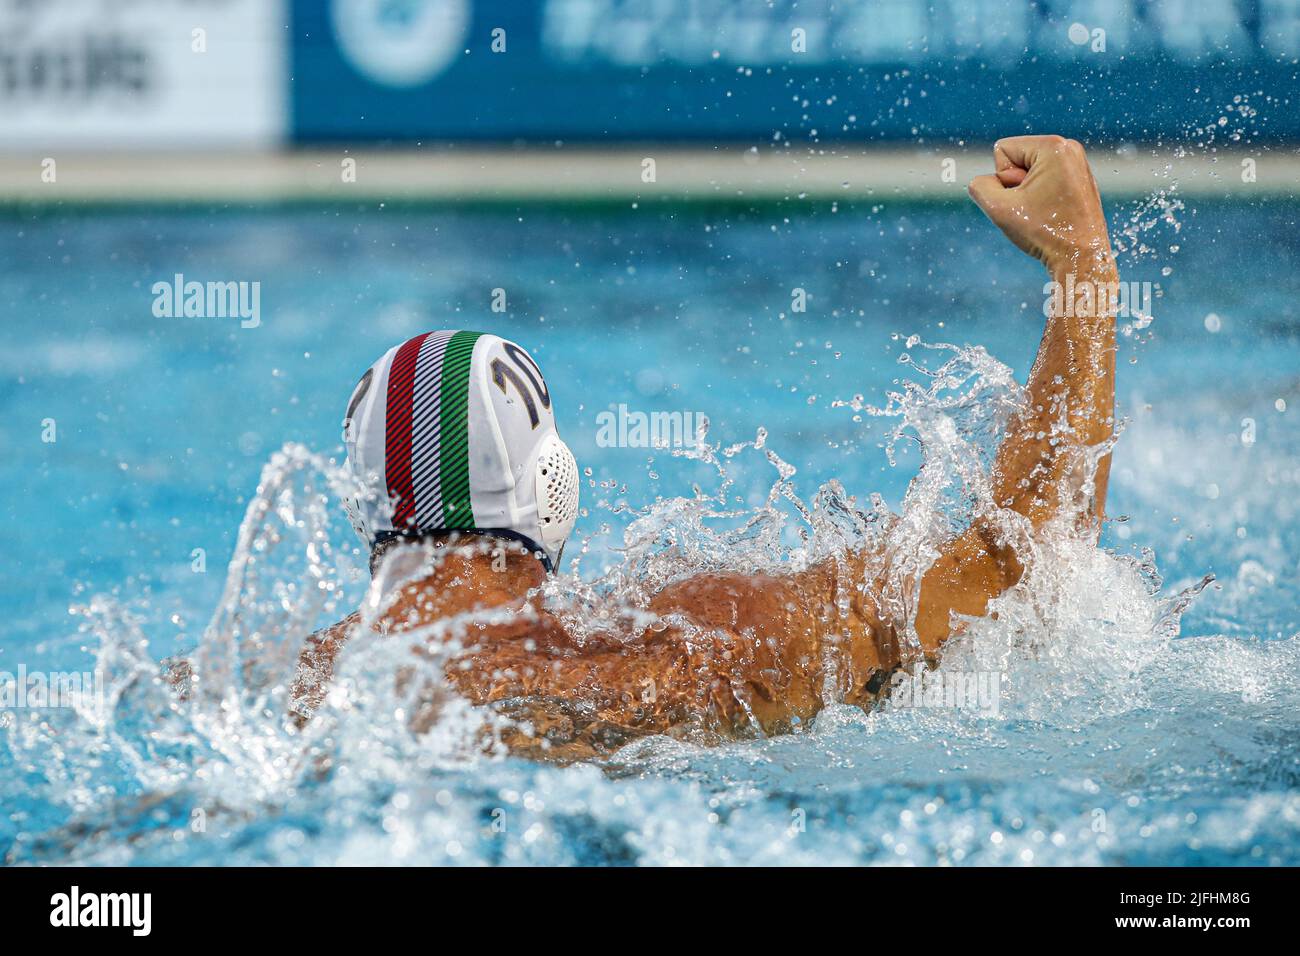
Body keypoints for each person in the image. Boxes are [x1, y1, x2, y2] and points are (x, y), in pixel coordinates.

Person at [292, 135, 1119, 761]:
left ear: (363, 506)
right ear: (552, 484)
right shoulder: (658, 652)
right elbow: (1024, 574)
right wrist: (1083, 265)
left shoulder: (291, 686)